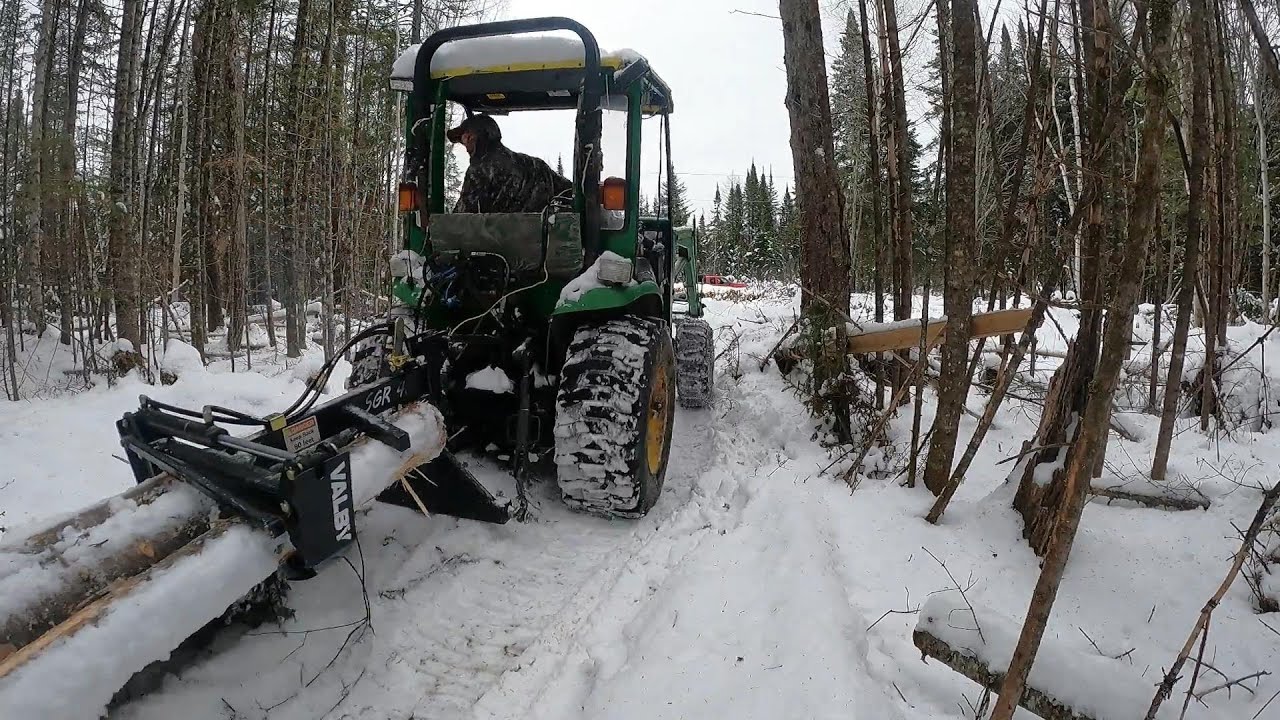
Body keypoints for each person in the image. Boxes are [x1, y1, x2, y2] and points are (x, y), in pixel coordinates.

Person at [447, 113, 573, 214]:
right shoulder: (536, 165)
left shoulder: (480, 171)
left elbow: (461, 218)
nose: (465, 145)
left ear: (473, 137)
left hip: (499, 244)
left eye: (465, 138)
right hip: (542, 242)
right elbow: (570, 192)